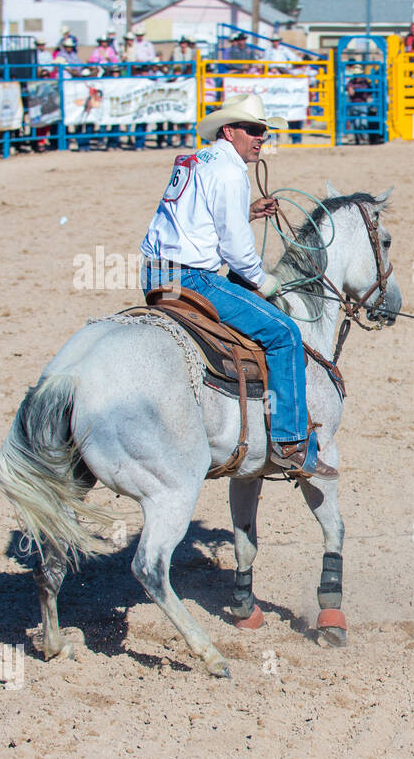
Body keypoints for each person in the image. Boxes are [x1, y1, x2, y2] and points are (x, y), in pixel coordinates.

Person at [140, 93, 336, 479]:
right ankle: (291, 444)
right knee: (284, 334)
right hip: (192, 278)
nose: (260, 137)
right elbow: (237, 251)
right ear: (229, 131)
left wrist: (247, 213)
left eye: (263, 131)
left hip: (154, 273)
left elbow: (196, 217)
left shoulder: (196, 159)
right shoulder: (231, 172)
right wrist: (266, 281)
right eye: (253, 130)